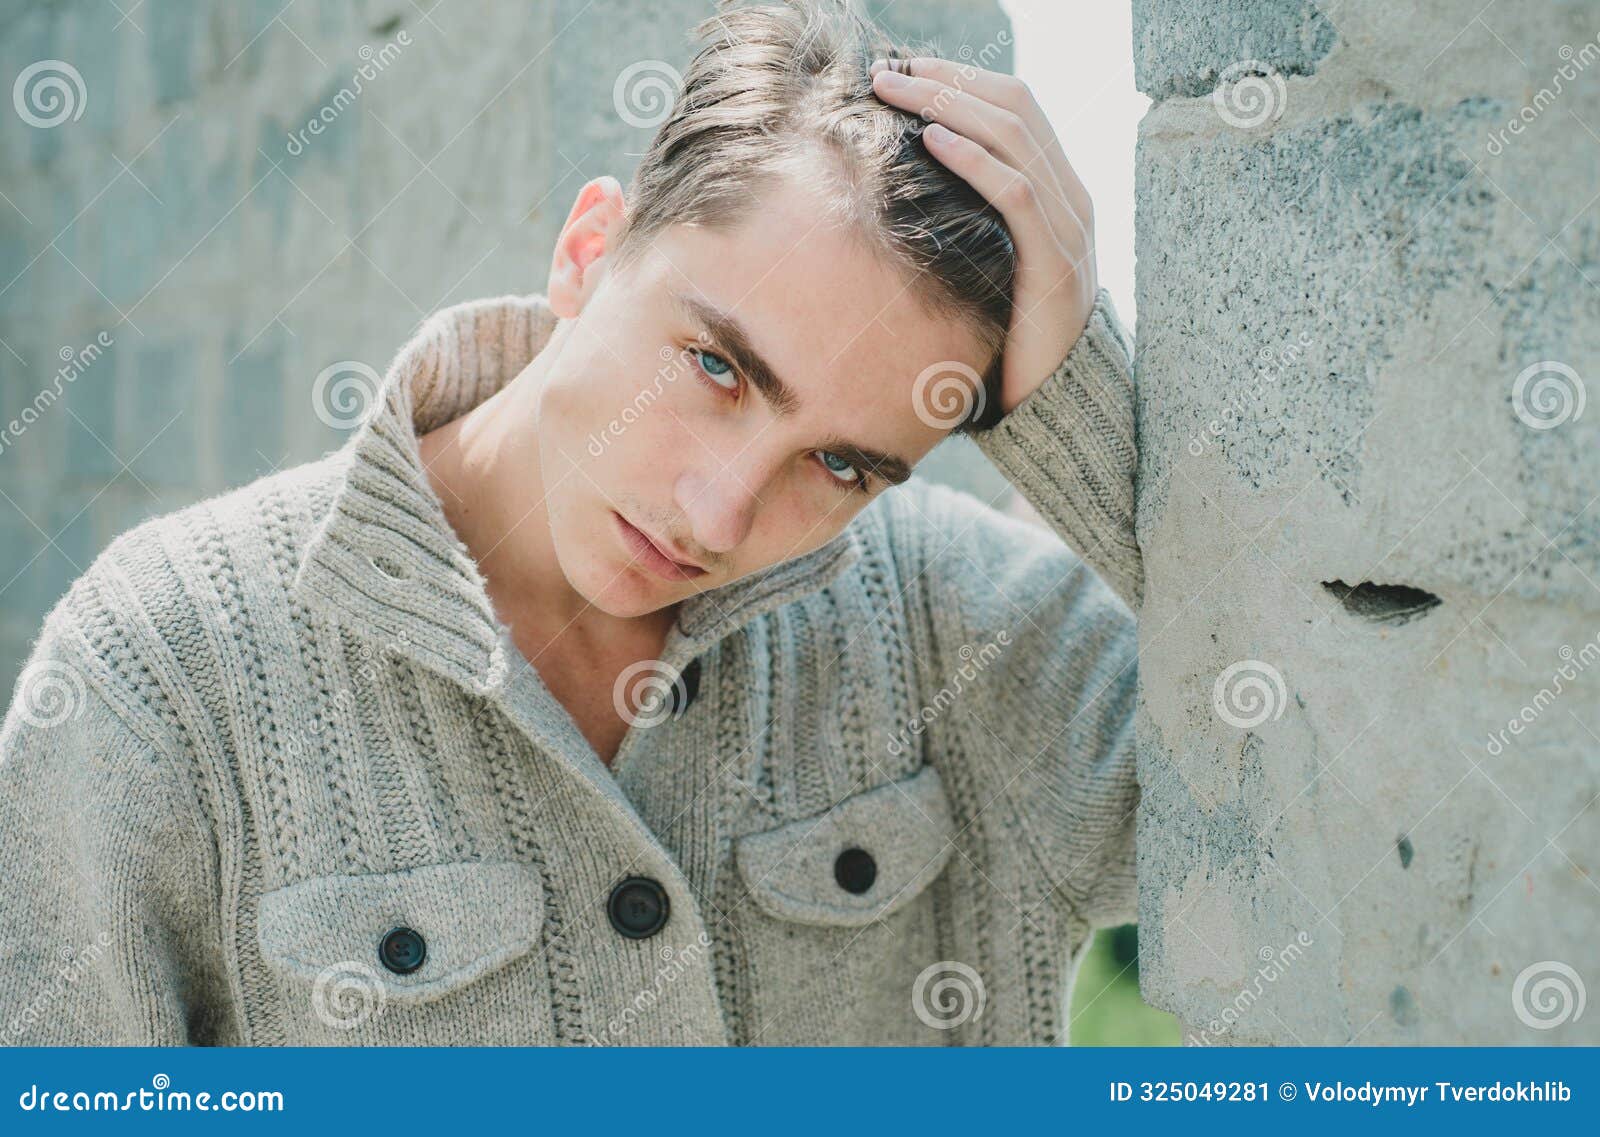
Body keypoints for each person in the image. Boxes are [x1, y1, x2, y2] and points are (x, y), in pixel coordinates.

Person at [0, 0, 1139, 1045]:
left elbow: (1301, 794)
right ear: (588, 252)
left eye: (839, 464)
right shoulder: (159, 672)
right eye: (715, 366)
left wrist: (1077, 409)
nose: (719, 511)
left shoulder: (962, 628)